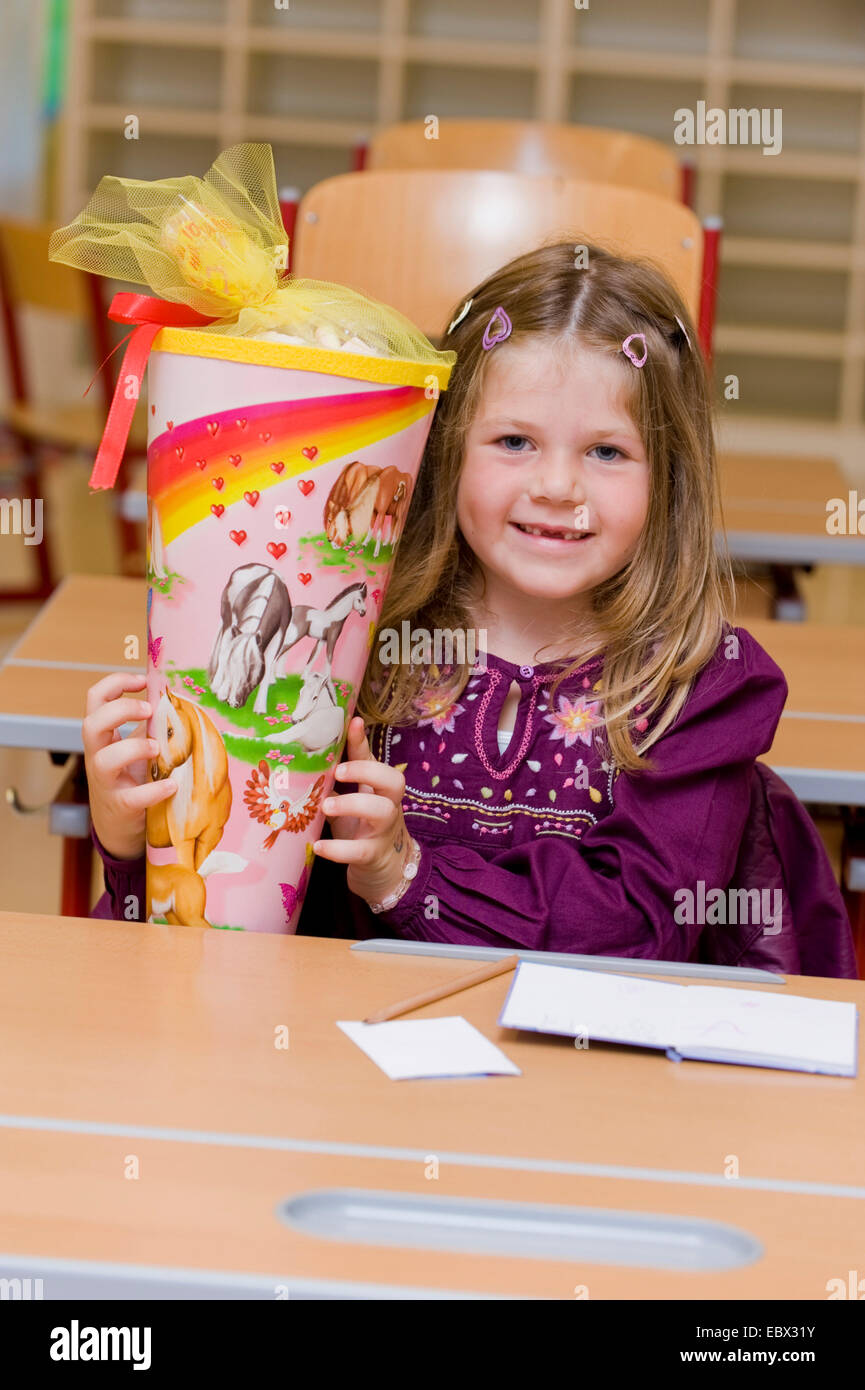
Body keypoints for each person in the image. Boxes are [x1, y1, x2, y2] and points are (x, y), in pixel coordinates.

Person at [85, 241, 855, 972]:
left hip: (608, 1096)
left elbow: (635, 935)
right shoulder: (357, 653)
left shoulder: (700, 687)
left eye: (607, 451)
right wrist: (137, 846)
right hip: (348, 1080)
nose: (556, 486)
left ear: (667, 479)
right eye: (514, 441)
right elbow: (233, 938)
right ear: (447, 450)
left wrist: (404, 873)